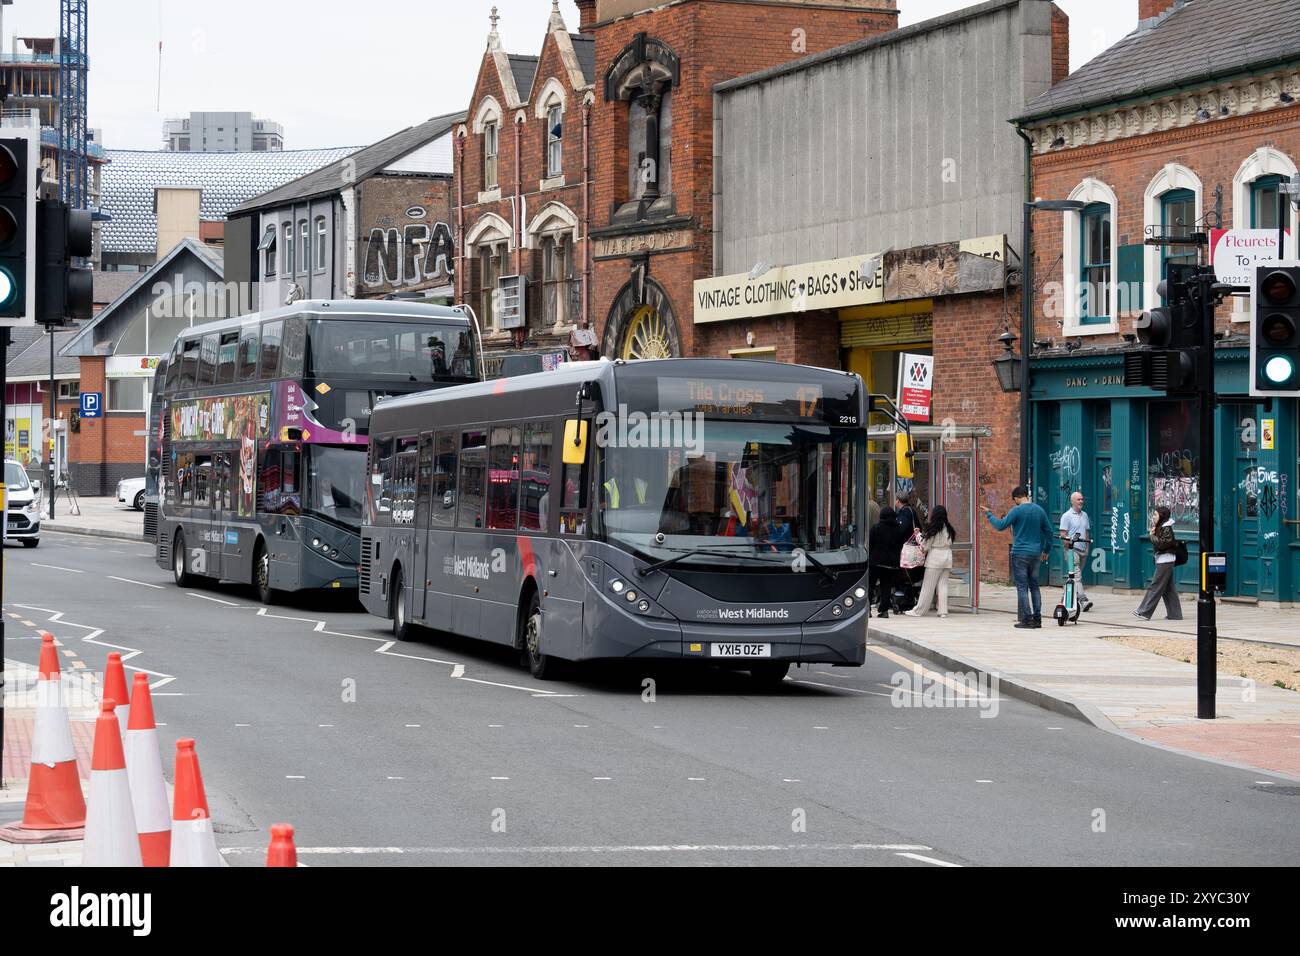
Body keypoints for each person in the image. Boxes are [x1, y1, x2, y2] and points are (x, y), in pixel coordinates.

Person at [985, 485, 1053, 629]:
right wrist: (1046, 550)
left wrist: (989, 514)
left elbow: (1000, 525)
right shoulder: (1039, 510)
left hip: (1020, 553)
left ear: (1016, 498)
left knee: (1022, 587)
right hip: (1035, 553)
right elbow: (1049, 532)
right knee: (1035, 586)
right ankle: (1038, 619)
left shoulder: (1016, 511)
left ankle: (1027, 619)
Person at [905, 505, 955, 618]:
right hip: (947, 557)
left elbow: (924, 546)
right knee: (943, 585)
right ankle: (943, 611)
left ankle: (919, 610)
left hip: (935, 558)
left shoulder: (934, 528)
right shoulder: (949, 528)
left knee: (928, 586)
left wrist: (917, 535)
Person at [1134, 505, 1182, 620]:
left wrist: (1151, 536)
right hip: (1164, 560)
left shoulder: (1167, 528)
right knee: (1168, 589)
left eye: (1155, 515)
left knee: (1155, 586)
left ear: (1162, 516)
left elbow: (1162, 544)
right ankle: (1175, 614)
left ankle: (1144, 611)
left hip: (1165, 561)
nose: (1153, 517)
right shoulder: (1162, 527)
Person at [868, 506, 907, 617]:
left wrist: (870, 557)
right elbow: (900, 546)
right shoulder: (898, 530)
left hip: (875, 562)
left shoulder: (875, 528)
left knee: (870, 586)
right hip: (891, 563)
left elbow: (871, 545)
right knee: (886, 587)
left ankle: (868, 610)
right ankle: (884, 611)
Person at [1059, 491, 1094, 612]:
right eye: (1078, 499)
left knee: (1073, 577)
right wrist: (1068, 547)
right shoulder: (1066, 516)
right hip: (1071, 550)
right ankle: (1083, 600)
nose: (1081, 501)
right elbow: (1063, 534)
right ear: (1072, 501)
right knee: (1077, 575)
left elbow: (1087, 532)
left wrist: (1087, 548)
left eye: (1082, 499)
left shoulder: (1084, 515)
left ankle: (1065, 597)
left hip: (1083, 550)